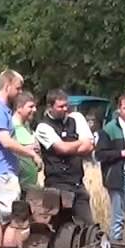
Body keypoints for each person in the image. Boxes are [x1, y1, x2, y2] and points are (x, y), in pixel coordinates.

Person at [0, 70, 41, 248]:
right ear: (7, 85)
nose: (19, 91)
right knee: (13, 220)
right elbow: (6, 142)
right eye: (18, 87)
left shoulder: (0, 110)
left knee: (0, 221)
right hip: (3, 171)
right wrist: (31, 152)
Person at [35, 89, 96, 225]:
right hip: (57, 186)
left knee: (88, 226)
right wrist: (80, 142)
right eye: (60, 106)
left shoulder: (75, 120)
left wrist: (70, 146)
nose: (65, 109)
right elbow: (62, 149)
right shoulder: (43, 127)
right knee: (61, 227)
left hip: (77, 183)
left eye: (66, 105)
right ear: (50, 107)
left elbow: (89, 147)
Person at [96, 95, 125, 240]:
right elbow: (100, 155)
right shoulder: (109, 129)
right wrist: (123, 153)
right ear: (119, 109)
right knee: (119, 218)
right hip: (119, 176)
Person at [11, 93, 40, 194]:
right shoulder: (10, 127)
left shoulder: (27, 126)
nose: (35, 110)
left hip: (32, 185)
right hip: (18, 188)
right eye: (31, 106)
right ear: (19, 108)